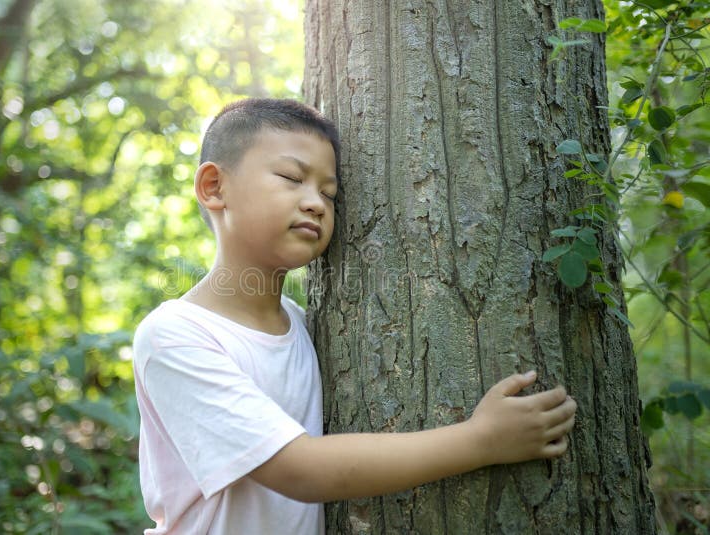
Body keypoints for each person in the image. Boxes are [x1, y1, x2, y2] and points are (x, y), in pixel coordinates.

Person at [132, 98, 577, 535]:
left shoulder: (306, 324)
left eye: (329, 193)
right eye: (291, 177)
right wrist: (482, 440)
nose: (316, 203)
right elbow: (300, 470)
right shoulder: (176, 335)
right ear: (214, 187)